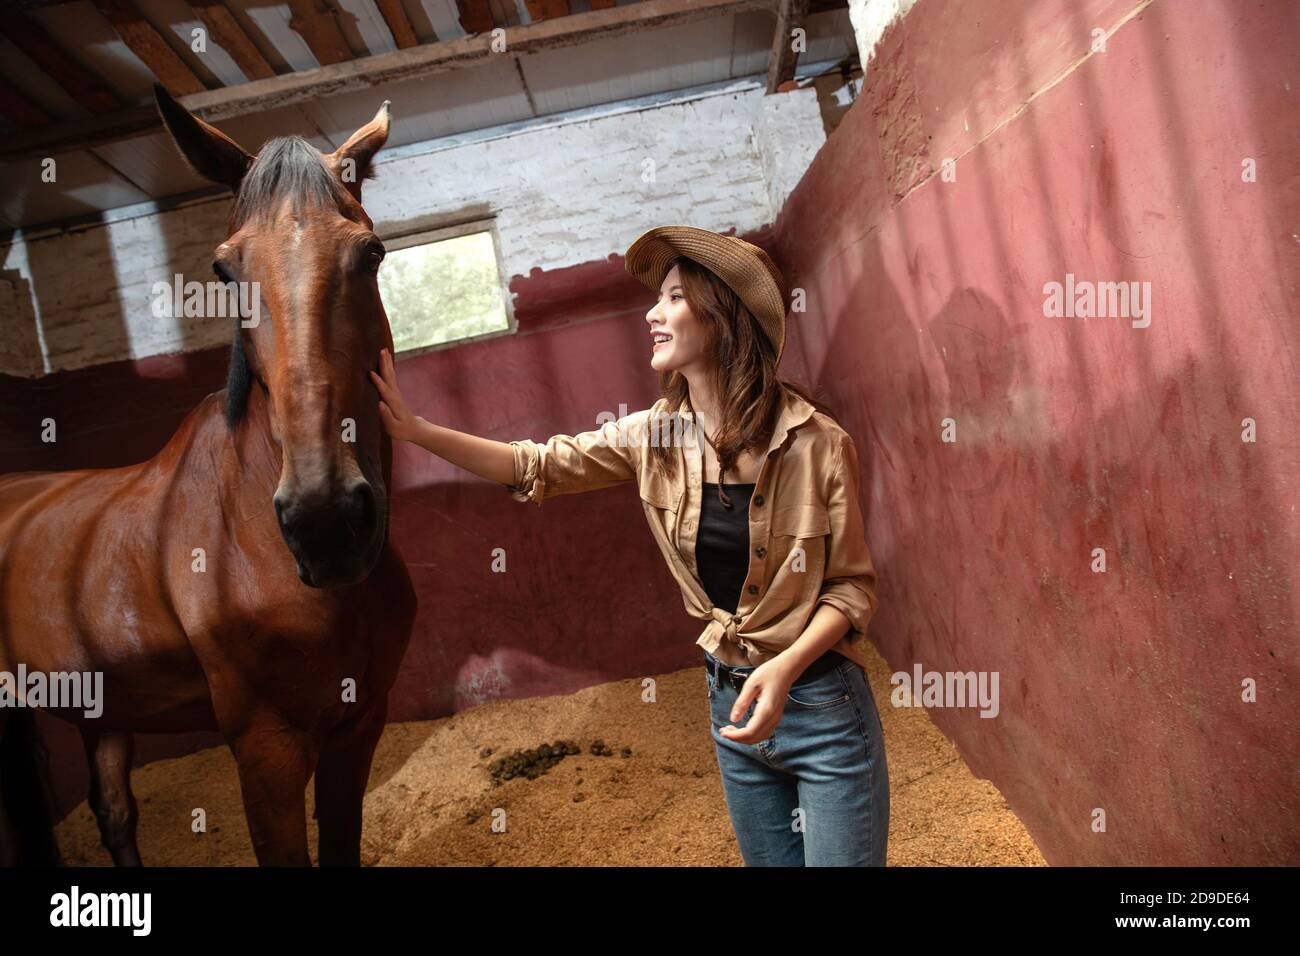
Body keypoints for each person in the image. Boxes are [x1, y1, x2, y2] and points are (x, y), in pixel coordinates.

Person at [368, 225, 889, 866]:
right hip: (731, 709)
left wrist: (783, 669)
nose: (653, 312)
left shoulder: (819, 445)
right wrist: (417, 431)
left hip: (822, 707)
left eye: (673, 297)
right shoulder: (654, 437)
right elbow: (535, 466)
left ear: (722, 315)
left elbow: (851, 587)